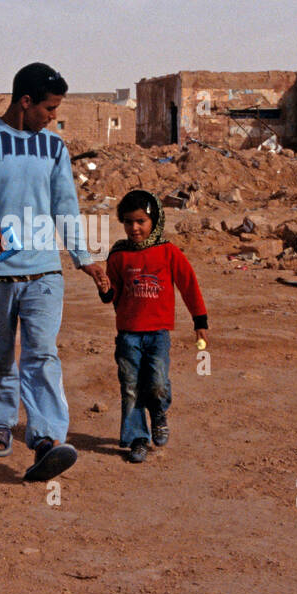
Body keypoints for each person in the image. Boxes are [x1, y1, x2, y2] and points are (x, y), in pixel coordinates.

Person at [0, 62, 109, 482]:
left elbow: (65, 206)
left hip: (43, 273)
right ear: (25, 101)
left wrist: (83, 256)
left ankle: (47, 440)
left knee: (41, 356)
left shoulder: (54, 148)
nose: (54, 116)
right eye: (49, 108)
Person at [99, 189, 209, 463]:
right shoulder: (119, 255)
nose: (134, 228)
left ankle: (159, 413)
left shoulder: (168, 252)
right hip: (128, 335)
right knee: (131, 387)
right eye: (127, 222)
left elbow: (189, 285)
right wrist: (104, 289)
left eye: (140, 221)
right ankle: (137, 438)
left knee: (157, 384)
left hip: (158, 334)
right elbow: (112, 295)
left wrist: (200, 320)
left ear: (155, 220)